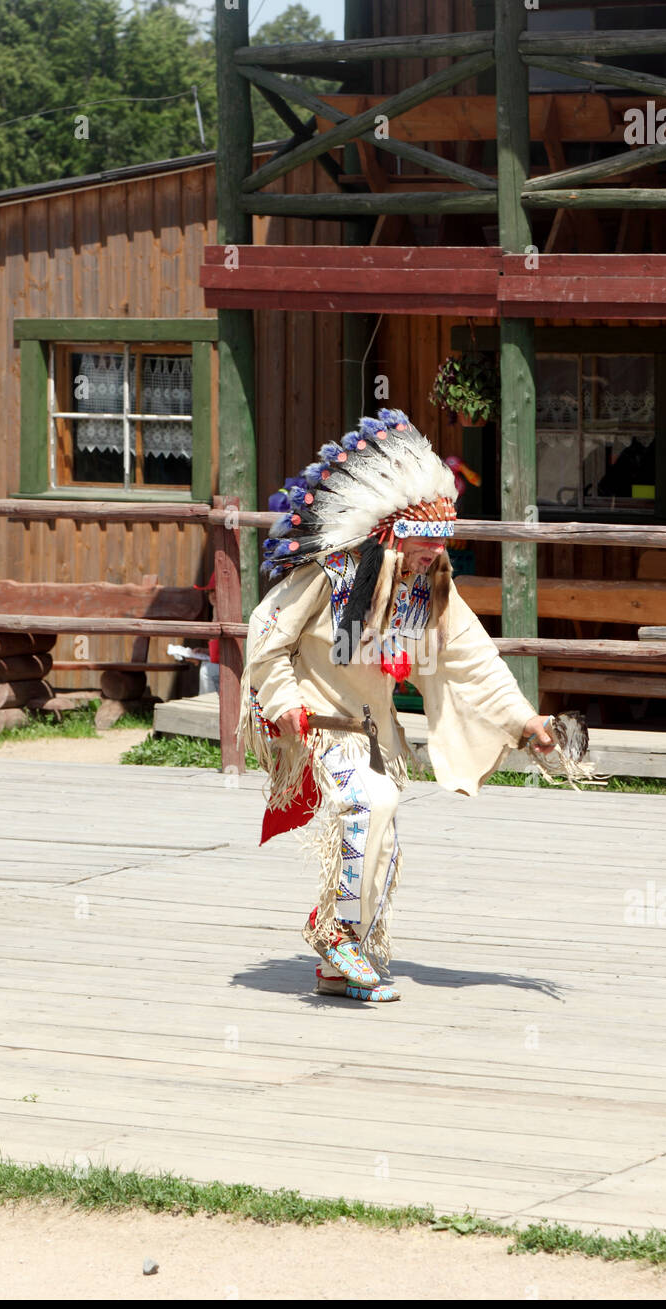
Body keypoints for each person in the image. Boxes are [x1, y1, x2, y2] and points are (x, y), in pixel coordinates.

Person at [240, 409, 554, 1004]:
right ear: (389, 533)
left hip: (372, 729)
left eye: (441, 539)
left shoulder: (431, 582)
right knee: (370, 802)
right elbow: (266, 631)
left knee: (382, 833)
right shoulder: (331, 571)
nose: (433, 550)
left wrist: (525, 721)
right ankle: (336, 933)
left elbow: (469, 657)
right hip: (315, 720)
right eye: (421, 539)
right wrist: (281, 703)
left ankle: (342, 952)